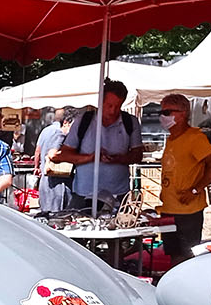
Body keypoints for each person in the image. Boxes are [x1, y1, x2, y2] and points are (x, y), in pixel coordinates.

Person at [52, 80, 143, 210]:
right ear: (100, 102)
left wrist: (118, 159)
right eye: (109, 105)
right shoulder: (83, 120)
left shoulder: (130, 122)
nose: (113, 111)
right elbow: (64, 154)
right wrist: (90, 157)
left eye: (118, 106)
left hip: (118, 194)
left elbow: (137, 155)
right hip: (83, 193)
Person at [156, 94, 211, 262]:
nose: (162, 116)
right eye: (162, 111)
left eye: (167, 111)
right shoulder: (172, 139)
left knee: (187, 257)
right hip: (169, 207)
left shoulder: (194, 138)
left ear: (183, 113)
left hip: (188, 210)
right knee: (173, 255)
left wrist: (196, 189)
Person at [34, 106, 76, 215]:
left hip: (49, 181)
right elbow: (52, 154)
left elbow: (37, 151)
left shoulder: (47, 131)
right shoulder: (61, 135)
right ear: (66, 122)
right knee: (57, 216)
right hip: (57, 183)